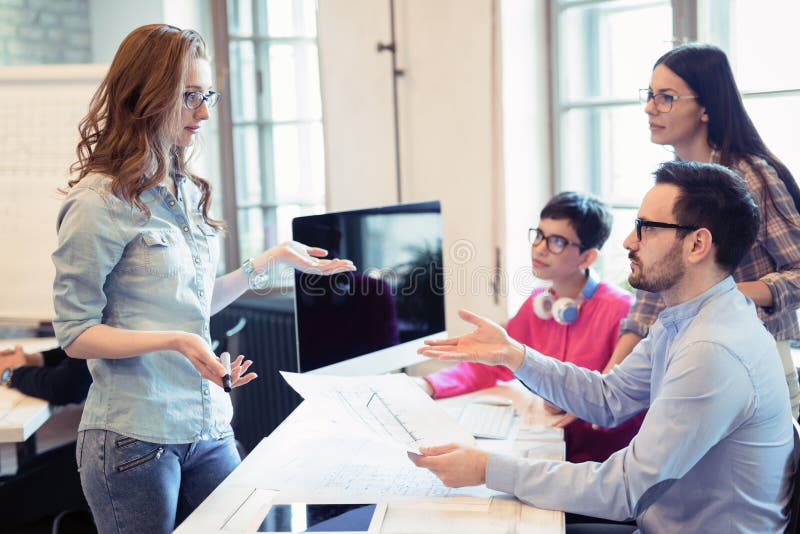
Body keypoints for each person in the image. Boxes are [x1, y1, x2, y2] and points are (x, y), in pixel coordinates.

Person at [51, 24, 355, 534]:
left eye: (206, 94)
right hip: (132, 439)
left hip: (208, 426)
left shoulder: (184, 192)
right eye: (188, 96)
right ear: (146, 97)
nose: (205, 112)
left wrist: (271, 261)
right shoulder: (96, 203)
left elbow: (192, 303)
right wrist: (177, 341)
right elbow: (75, 334)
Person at [410, 161, 795, 533]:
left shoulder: (713, 349)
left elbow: (625, 489)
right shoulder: (686, 318)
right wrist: (514, 354)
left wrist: (487, 468)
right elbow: (610, 396)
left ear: (697, 244)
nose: (629, 241)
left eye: (645, 228)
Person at [608, 43, 800, 418]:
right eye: (650, 95)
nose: (650, 108)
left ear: (706, 107)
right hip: (689, 362)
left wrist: (722, 294)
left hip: (753, 367)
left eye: (666, 98)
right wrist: (609, 378)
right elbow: (649, 299)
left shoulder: (750, 176)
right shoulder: (671, 184)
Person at [418, 192, 643, 463]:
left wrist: (577, 403)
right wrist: (427, 384)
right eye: (539, 234)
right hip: (546, 452)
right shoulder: (538, 305)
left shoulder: (623, 311)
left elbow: (629, 401)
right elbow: (489, 365)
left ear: (587, 258)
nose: (539, 248)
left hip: (598, 466)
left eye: (557, 241)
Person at [0, 346, 93, 530]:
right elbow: (80, 351)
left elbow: (69, 386)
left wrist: (10, 373)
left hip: (126, 455)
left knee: (8, 503)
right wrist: (35, 359)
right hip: (144, 444)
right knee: (25, 470)